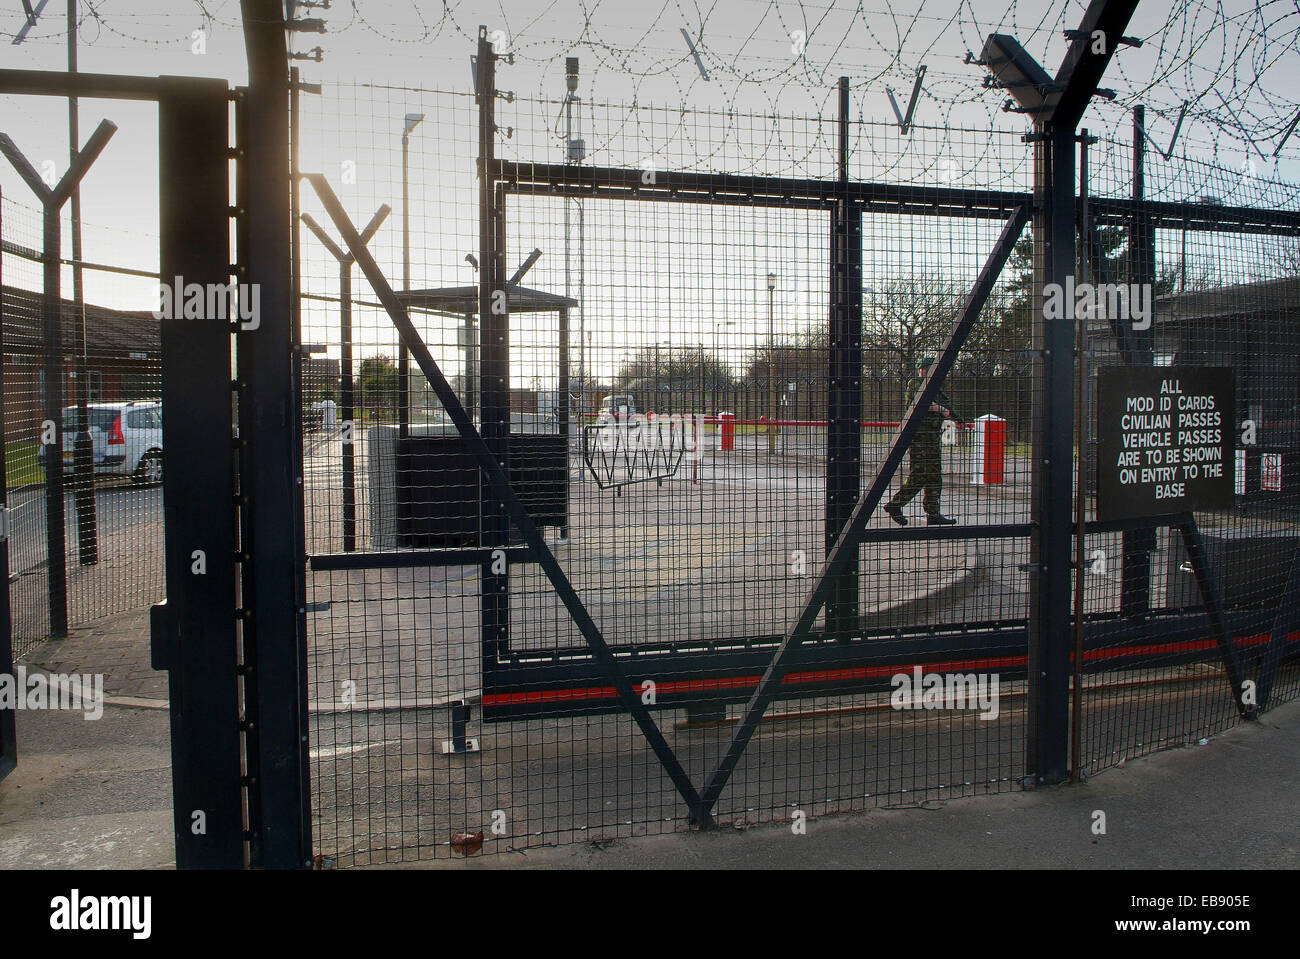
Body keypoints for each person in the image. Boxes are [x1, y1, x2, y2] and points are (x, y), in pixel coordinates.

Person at [885, 356, 957, 526]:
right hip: (919, 437)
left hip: (932, 437)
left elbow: (946, 407)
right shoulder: (916, 383)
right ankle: (895, 504)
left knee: (934, 476)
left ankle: (933, 513)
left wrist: (953, 416)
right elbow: (918, 404)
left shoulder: (936, 387)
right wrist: (941, 409)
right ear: (923, 369)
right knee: (919, 474)